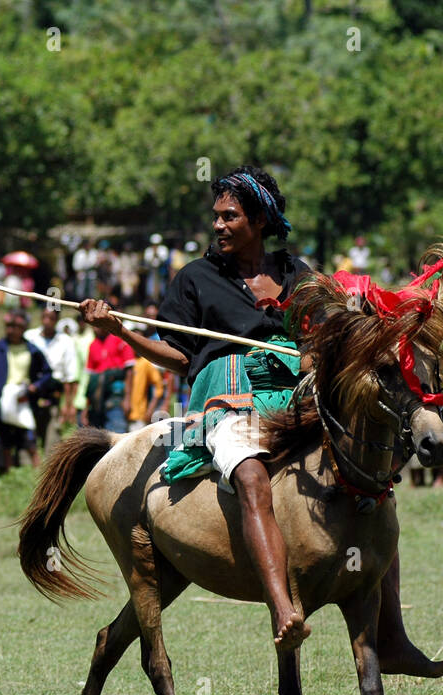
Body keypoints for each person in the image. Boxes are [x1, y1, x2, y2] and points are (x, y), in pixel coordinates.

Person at [79, 165, 312, 648]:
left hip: (297, 395)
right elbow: (179, 357)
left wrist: (315, 349)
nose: (219, 225)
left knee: (366, 475)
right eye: (217, 217)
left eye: (230, 216)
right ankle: (282, 611)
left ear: (262, 220)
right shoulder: (195, 279)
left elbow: (322, 335)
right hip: (229, 396)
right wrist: (120, 331)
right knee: (249, 473)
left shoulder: (296, 274)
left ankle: (389, 633)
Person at [0, 312, 54, 474]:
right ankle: (8, 473)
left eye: (16, 327)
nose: (11, 330)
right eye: (9, 326)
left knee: (28, 433)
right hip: (3, 397)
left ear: (23, 328)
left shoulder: (32, 350)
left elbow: (47, 373)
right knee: (4, 435)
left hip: (23, 396)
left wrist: (36, 386)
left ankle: (38, 473)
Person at [24, 306, 79, 454]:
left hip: (53, 392)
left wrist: (68, 404)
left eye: (51, 318)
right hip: (32, 391)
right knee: (30, 433)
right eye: (45, 317)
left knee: (52, 435)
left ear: (57, 320)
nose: (47, 321)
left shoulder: (65, 341)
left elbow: (70, 376)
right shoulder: (30, 337)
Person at [83, 322, 135, 432]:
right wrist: (87, 407)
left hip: (116, 397)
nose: (95, 327)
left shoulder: (120, 340)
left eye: (97, 324)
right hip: (97, 400)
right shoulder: (93, 345)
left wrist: (127, 399)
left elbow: (129, 371)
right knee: (99, 440)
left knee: (116, 437)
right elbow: (91, 379)